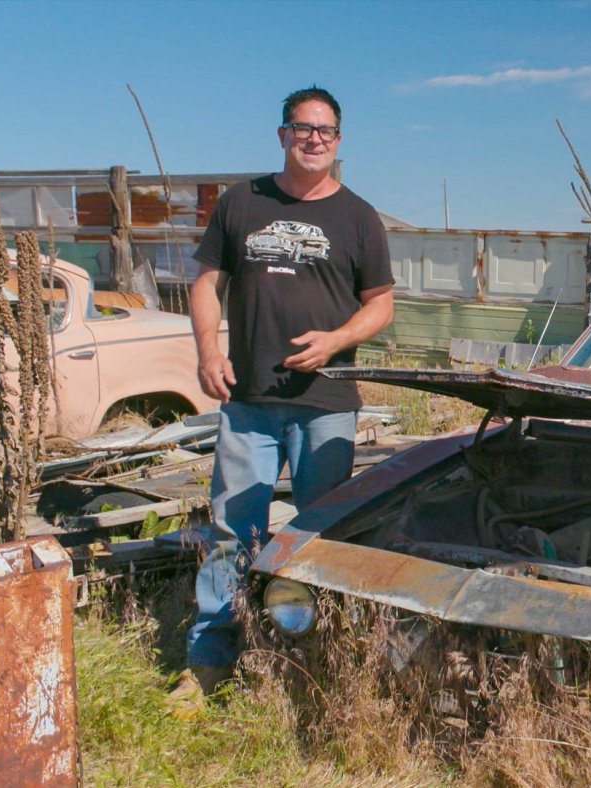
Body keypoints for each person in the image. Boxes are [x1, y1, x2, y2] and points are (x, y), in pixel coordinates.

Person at [173, 86, 394, 706]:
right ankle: (210, 659)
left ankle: (314, 660)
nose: (314, 138)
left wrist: (336, 340)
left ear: (339, 140)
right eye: (303, 128)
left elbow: (381, 305)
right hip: (249, 402)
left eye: (325, 130)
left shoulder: (358, 216)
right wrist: (209, 351)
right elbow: (207, 281)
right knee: (230, 532)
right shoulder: (242, 202)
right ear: (282, 135)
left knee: (323, 536)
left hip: (326, 404)